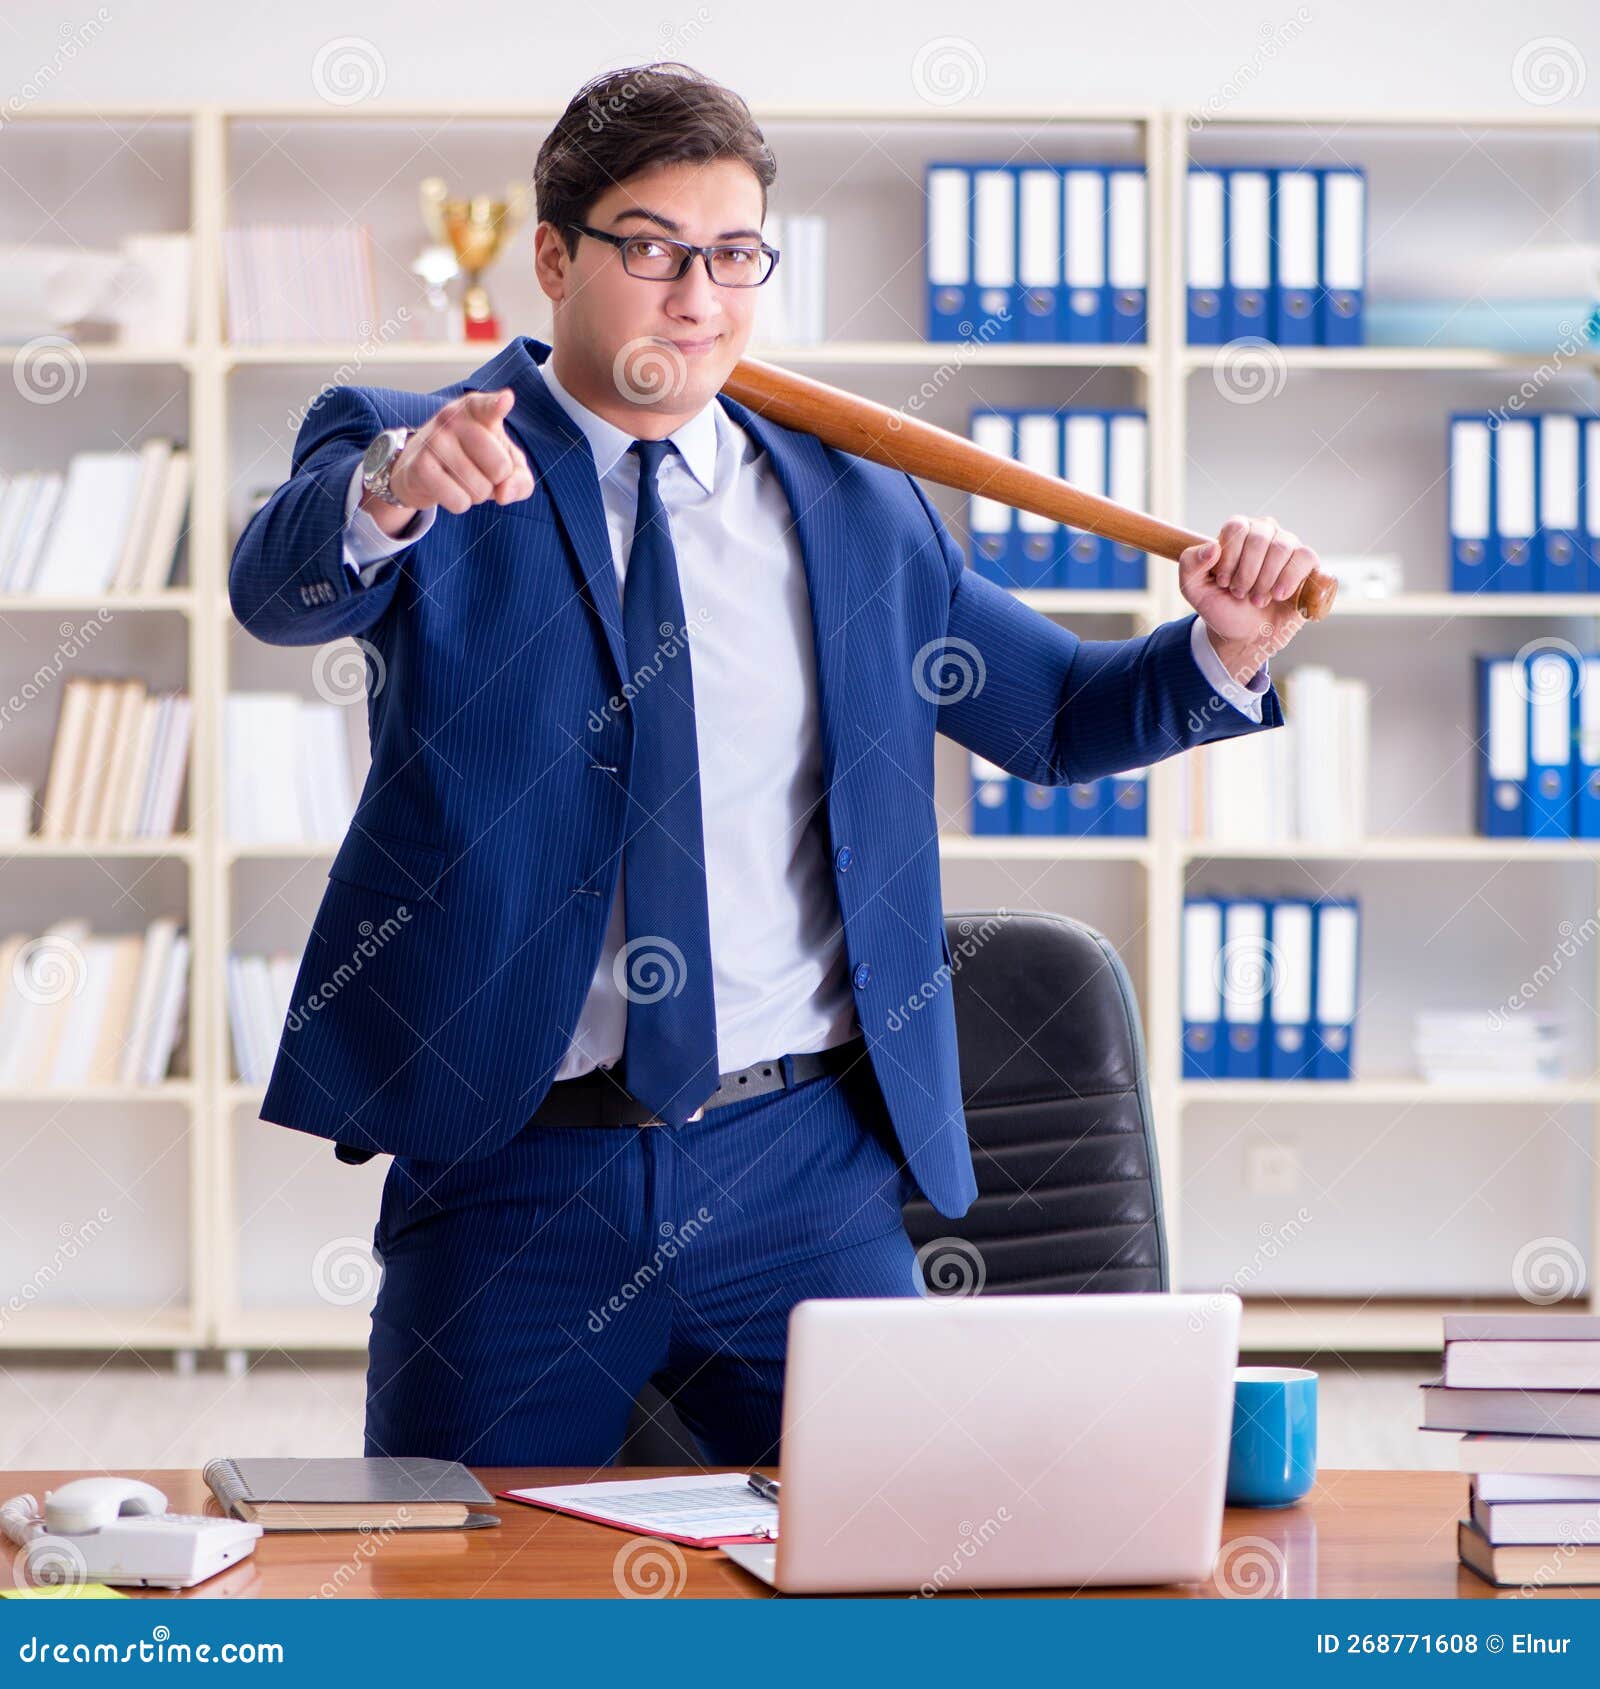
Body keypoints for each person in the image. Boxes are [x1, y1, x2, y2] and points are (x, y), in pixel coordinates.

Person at [229, 60, 1313, 1466]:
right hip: (513, 1173)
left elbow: (1055, 719)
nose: (698, 295)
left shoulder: (854, 503)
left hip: (802, 1174)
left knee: (889, 1568)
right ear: (553, 257)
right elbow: (279, 587)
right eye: (652, 249)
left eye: (734, 255)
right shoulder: (429, 451)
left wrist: (1219, 647)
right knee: (457, 1588)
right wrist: (386, 493)